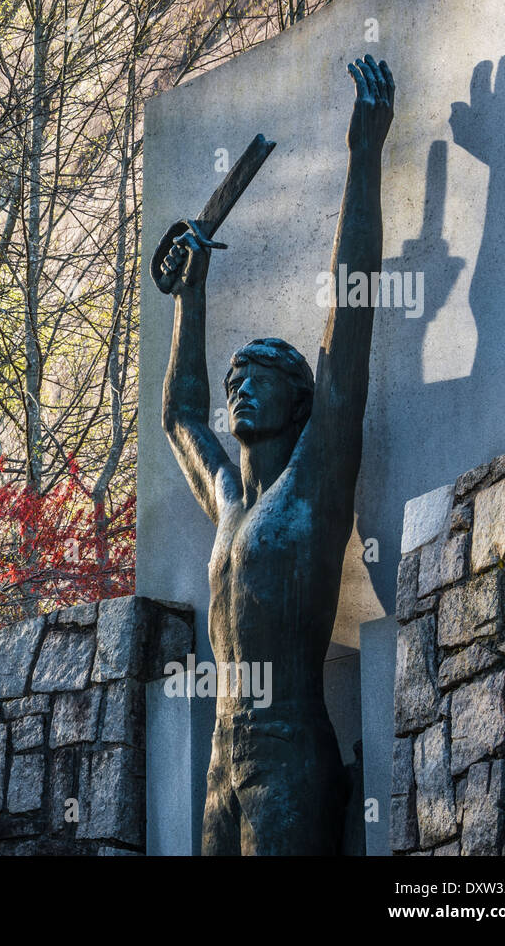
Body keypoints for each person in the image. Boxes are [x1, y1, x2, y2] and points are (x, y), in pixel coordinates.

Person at [159, 55, 395, 855]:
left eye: (258, 378)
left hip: (291, 755)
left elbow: (350, 319)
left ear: (297, 400)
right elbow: (179, 417)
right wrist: (192, 297)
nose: (238, 391)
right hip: (223, 761)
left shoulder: (314, 482)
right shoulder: (230, 498)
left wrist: (364, 157)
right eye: (236, 379)